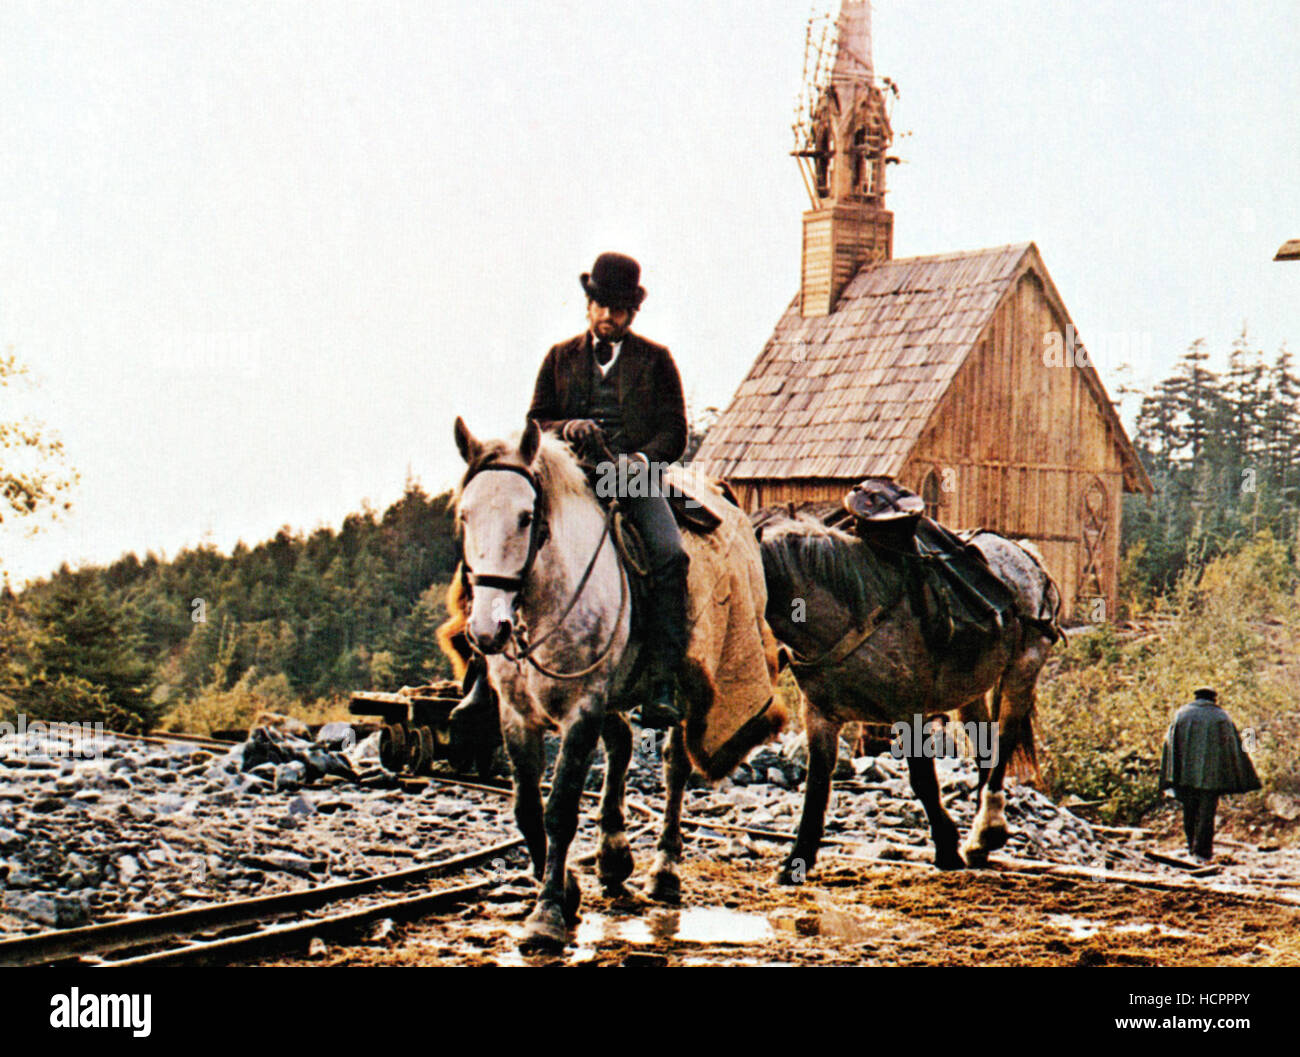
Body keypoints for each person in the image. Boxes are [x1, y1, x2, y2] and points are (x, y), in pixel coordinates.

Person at [451, 252, 689, 732]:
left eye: (618, 309)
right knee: (493, 546)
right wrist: (566, 427)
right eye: (600, 305)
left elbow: (675, 432)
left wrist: (640, 462)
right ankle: (481, 674)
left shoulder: (657, 361)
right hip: (565, 477)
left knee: (669, 554)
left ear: (632, 313)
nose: (607, 316)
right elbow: (535, 422)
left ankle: (663, 680)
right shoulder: (560, 357)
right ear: (588, 304)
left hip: (631, 477)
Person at [1159, 687, 1261, 863]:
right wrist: (1240, 772)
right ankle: (1203, 852)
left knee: (1189, 811)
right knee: (1207, 814)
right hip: (1212, 776)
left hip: (1185, 775)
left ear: (1196, 697)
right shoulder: (1221, 717)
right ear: (1214, 699)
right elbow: (1232, 746)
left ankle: (1191, 847)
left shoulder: (1181, 714)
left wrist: (1172, 772)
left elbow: (1169, 744)